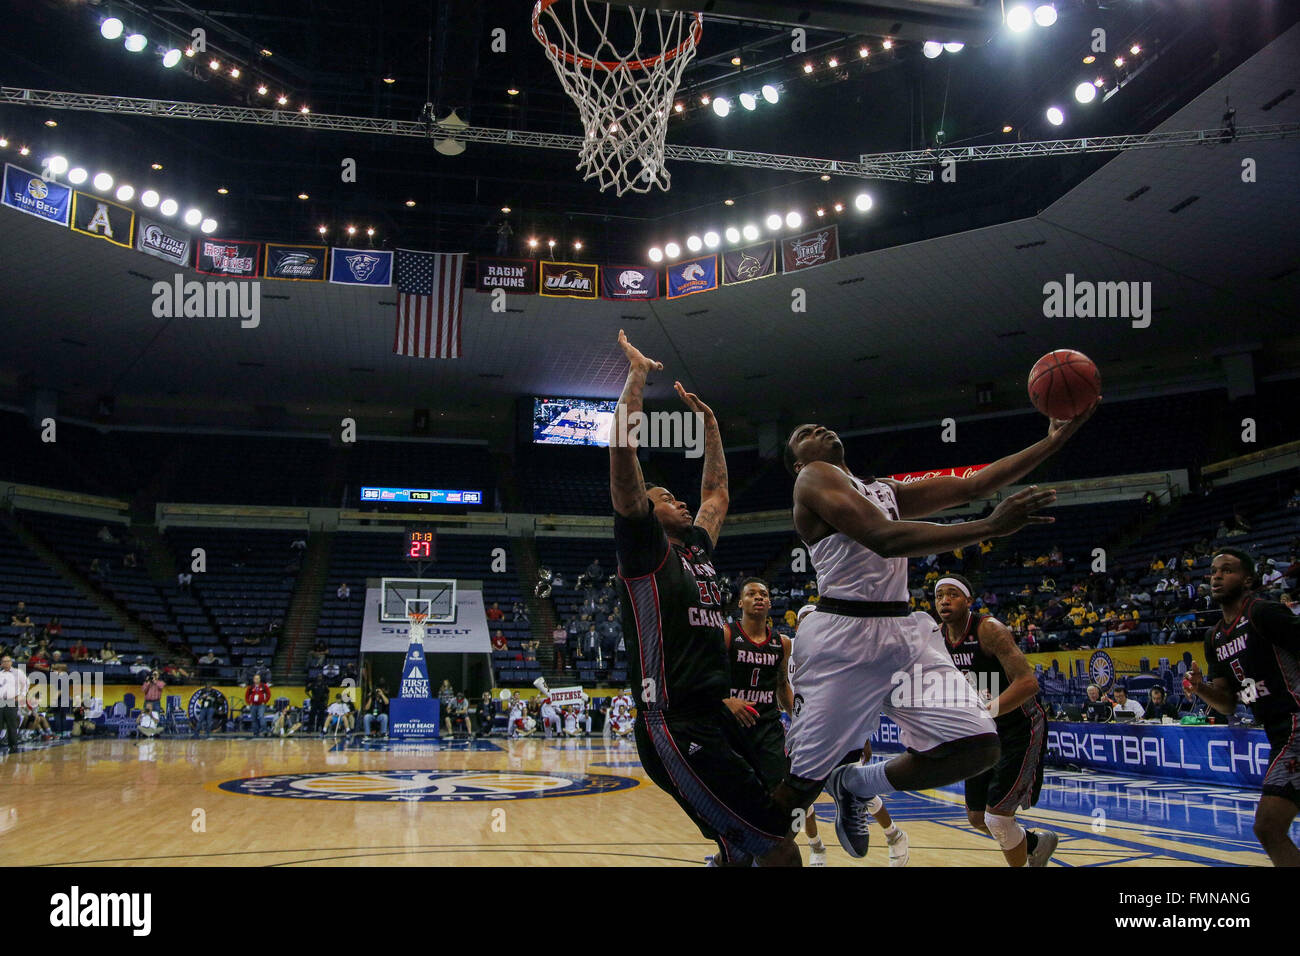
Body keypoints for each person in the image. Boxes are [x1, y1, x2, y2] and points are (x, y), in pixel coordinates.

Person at [781, 397, 1095, 860]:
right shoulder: (814, 477)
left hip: (902, 632)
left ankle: (856, 785)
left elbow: (975, 484)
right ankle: (742, 849)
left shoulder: (881, 489)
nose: (819, 427)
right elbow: (885, 539)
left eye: (820, 422)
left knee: (978, 746)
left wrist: (1053, 440)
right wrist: (989, 526)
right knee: (796, 790)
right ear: (798, 462)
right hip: (842, 639)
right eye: (805, 431)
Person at [610, 331, 796, 866]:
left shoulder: (695, 549)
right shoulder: (644, 548)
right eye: (665, 497)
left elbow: (716, 492)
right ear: (645, 510)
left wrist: (711, 428)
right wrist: (638, 376)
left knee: (748, 839)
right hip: (672, 721)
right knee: (775, 846)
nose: (679, 499)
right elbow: (623, 453)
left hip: (712, 717)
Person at [1185, 548, 1300, 866]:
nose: (1217, 576)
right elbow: (1227, 703)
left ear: (1248, 579)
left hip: (1295, 722)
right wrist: (1199, 688)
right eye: (1213, 571)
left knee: (1268, 826)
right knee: (1270, 828)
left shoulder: (1264, 613)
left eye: (1227, 570)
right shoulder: (1214, 638)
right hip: (1276, 731)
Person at [935, 574, 1056, 867]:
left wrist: (984, 710)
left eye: (952, 594)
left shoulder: (988, 629)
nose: (944, 600)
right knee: (977, 817)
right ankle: (1036, 843)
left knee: (997, 818)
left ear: (968, 601)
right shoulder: (937, 636)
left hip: (1020, 727)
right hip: (983, 731)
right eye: (939, 595)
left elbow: (1028, 683)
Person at [0, 655, 28, 753]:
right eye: (4, 661)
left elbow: (26, 684)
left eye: (8, 661)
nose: (6, 663)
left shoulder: (18, 672)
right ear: (1, 663)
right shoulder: (0, 674)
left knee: (11, 724)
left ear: (11, 662)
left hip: (12, 701)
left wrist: (21, 696)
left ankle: (13, 746)